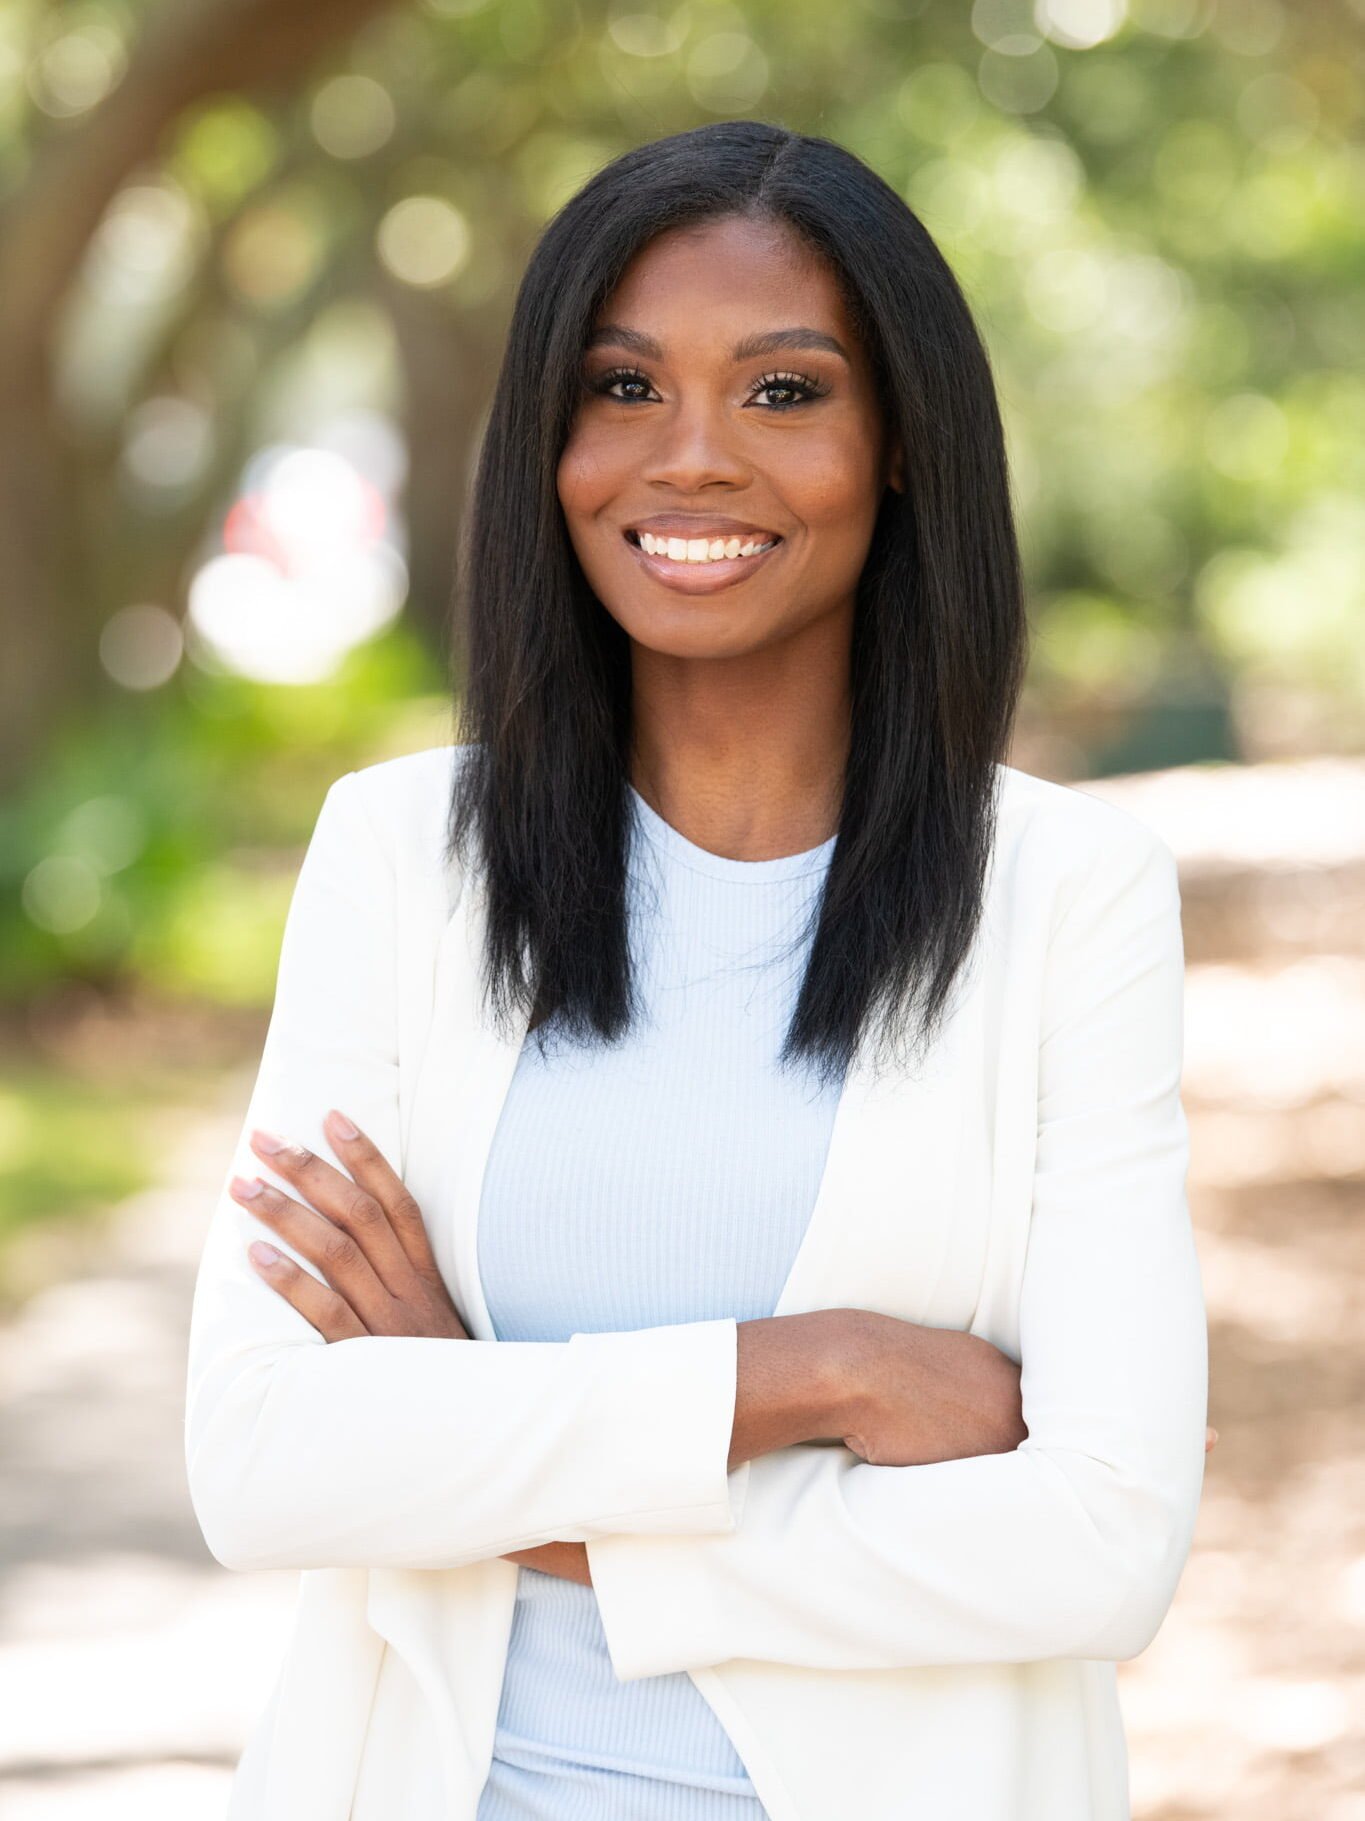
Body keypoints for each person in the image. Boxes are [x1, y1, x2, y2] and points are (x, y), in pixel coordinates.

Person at [185, 119, 1213, 1821]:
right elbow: (258, 1460)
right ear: (550, 439)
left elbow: (1101, 1543)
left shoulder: (1064, 897)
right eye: (623, 387)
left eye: (783, 391)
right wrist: (815, 1372)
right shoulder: (403, 858)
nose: (692, 459)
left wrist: (490, 1446)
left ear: (900, 444)